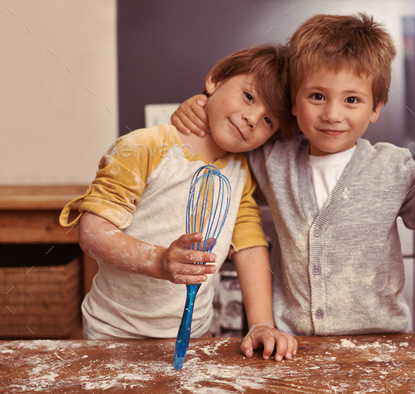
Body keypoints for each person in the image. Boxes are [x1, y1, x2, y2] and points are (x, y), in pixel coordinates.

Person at [172, 14, 415, 336]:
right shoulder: (272, 155)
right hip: (293, 346)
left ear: (376, 107)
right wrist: (197, 105)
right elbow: (227, 128)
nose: (332, 115)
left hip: (380, 345)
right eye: (317, 96)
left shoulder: (393, 168)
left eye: (352, 100)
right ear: (294, 100)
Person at [59, 44, 298, 361]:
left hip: (196, 334)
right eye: (249, 97)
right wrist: (159, 261)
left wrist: (262, 324)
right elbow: (92, 231)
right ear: (214, 81)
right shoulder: (143, 147)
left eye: (269, 121)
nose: (253, 118)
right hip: (113, 334)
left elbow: (250, 248)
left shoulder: (240, 174)